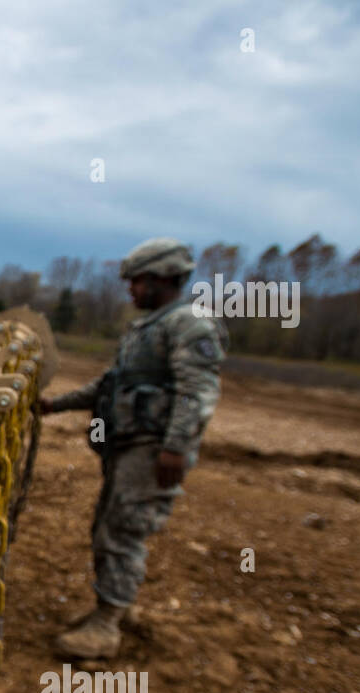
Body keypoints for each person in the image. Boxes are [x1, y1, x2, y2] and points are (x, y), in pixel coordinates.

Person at [38, 238, 228, 658]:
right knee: (109, 527)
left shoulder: (190, 324)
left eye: (137, 282)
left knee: (124, 530)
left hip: (149, 451)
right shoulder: (149, 326)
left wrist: (175, 448)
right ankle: (112, 607)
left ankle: (106, 626)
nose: (130, 290)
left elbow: (196, 393)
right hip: (127, 450)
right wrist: (55, 405)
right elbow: (111, 384)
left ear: (163, 279)